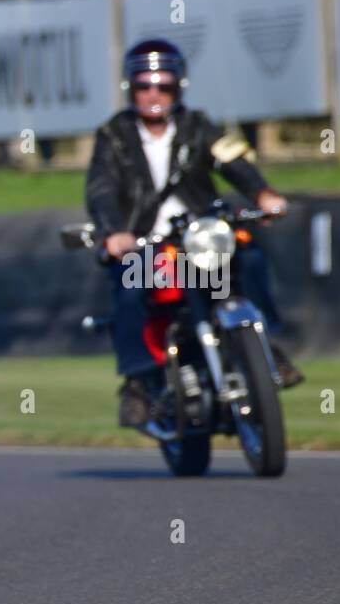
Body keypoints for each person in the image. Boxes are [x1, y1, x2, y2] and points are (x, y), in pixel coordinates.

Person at [85, 38, 302, 429]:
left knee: (249, 258)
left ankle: (264, 343)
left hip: (201, 239)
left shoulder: (198, 126)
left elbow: (232, 159)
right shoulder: (113, 136)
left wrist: (262, 193)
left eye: (163, 86)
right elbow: (100, 190)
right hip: (147, 247)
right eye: (144, 86)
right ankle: (137, 382)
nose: (154, 94)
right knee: (132, 289)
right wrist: (114, 233)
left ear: (178, 87)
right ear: (130, 88)